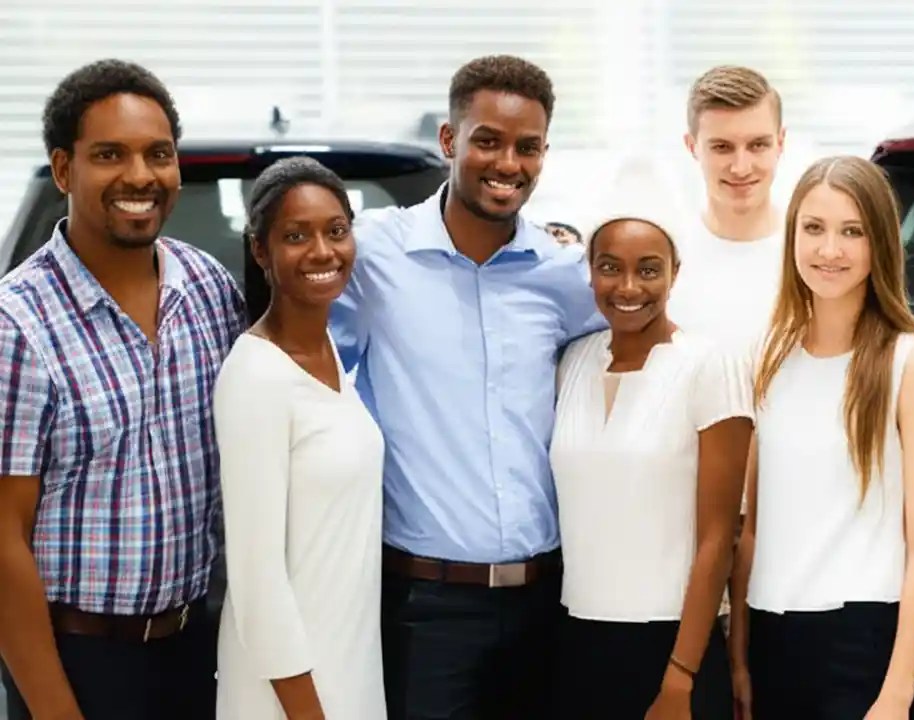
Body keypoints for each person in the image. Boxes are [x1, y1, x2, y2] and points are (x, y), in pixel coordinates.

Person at [329, 55, 603, 720]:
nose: (508, 162)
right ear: (450, 142)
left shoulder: (566, 276)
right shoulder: (372, 257)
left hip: (548, 600)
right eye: (488, 140)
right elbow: (305, 373)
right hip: (425, 607)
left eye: (527, 147)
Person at [0, 59, 246, 720]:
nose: (140, 176)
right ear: (63, 170)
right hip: (79, 661)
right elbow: (3, 541)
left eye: (157, 154)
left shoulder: (208, 289)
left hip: (200, 648)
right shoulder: (16, 324)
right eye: (110, 155)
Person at [731, 156, 914, 719]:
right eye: (814, 229)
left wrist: (898, 693)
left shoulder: (911, 362)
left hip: (862, 642)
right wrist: (739, 658)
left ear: (880, 241)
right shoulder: (769, 357)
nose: (830, 250)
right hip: (771, 632)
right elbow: (754, 526)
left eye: (851, 231)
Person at [551, 201, 753, 719]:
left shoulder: (710, 365)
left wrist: (681, 676)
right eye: (610, 267)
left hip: (671, 646)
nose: (628, 287)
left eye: (648, 269)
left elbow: (718, 538)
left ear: (675, 273)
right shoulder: (573, 361)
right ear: (590, 271)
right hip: (576, 641)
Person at [213, 157, 386, 719]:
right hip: (288, 692)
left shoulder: (328, 350)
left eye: (336, 231)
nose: (322, 252)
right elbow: (257, 581)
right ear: (261, 251)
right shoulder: (255, 375)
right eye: (296, 236)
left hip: (348, 663)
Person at [666, 65, 787, 356]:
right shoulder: (666, 257)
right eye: (722, 147)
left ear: (780, 143)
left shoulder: (815, 255)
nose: (741, 167)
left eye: (758, 145)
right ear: (692, 146)